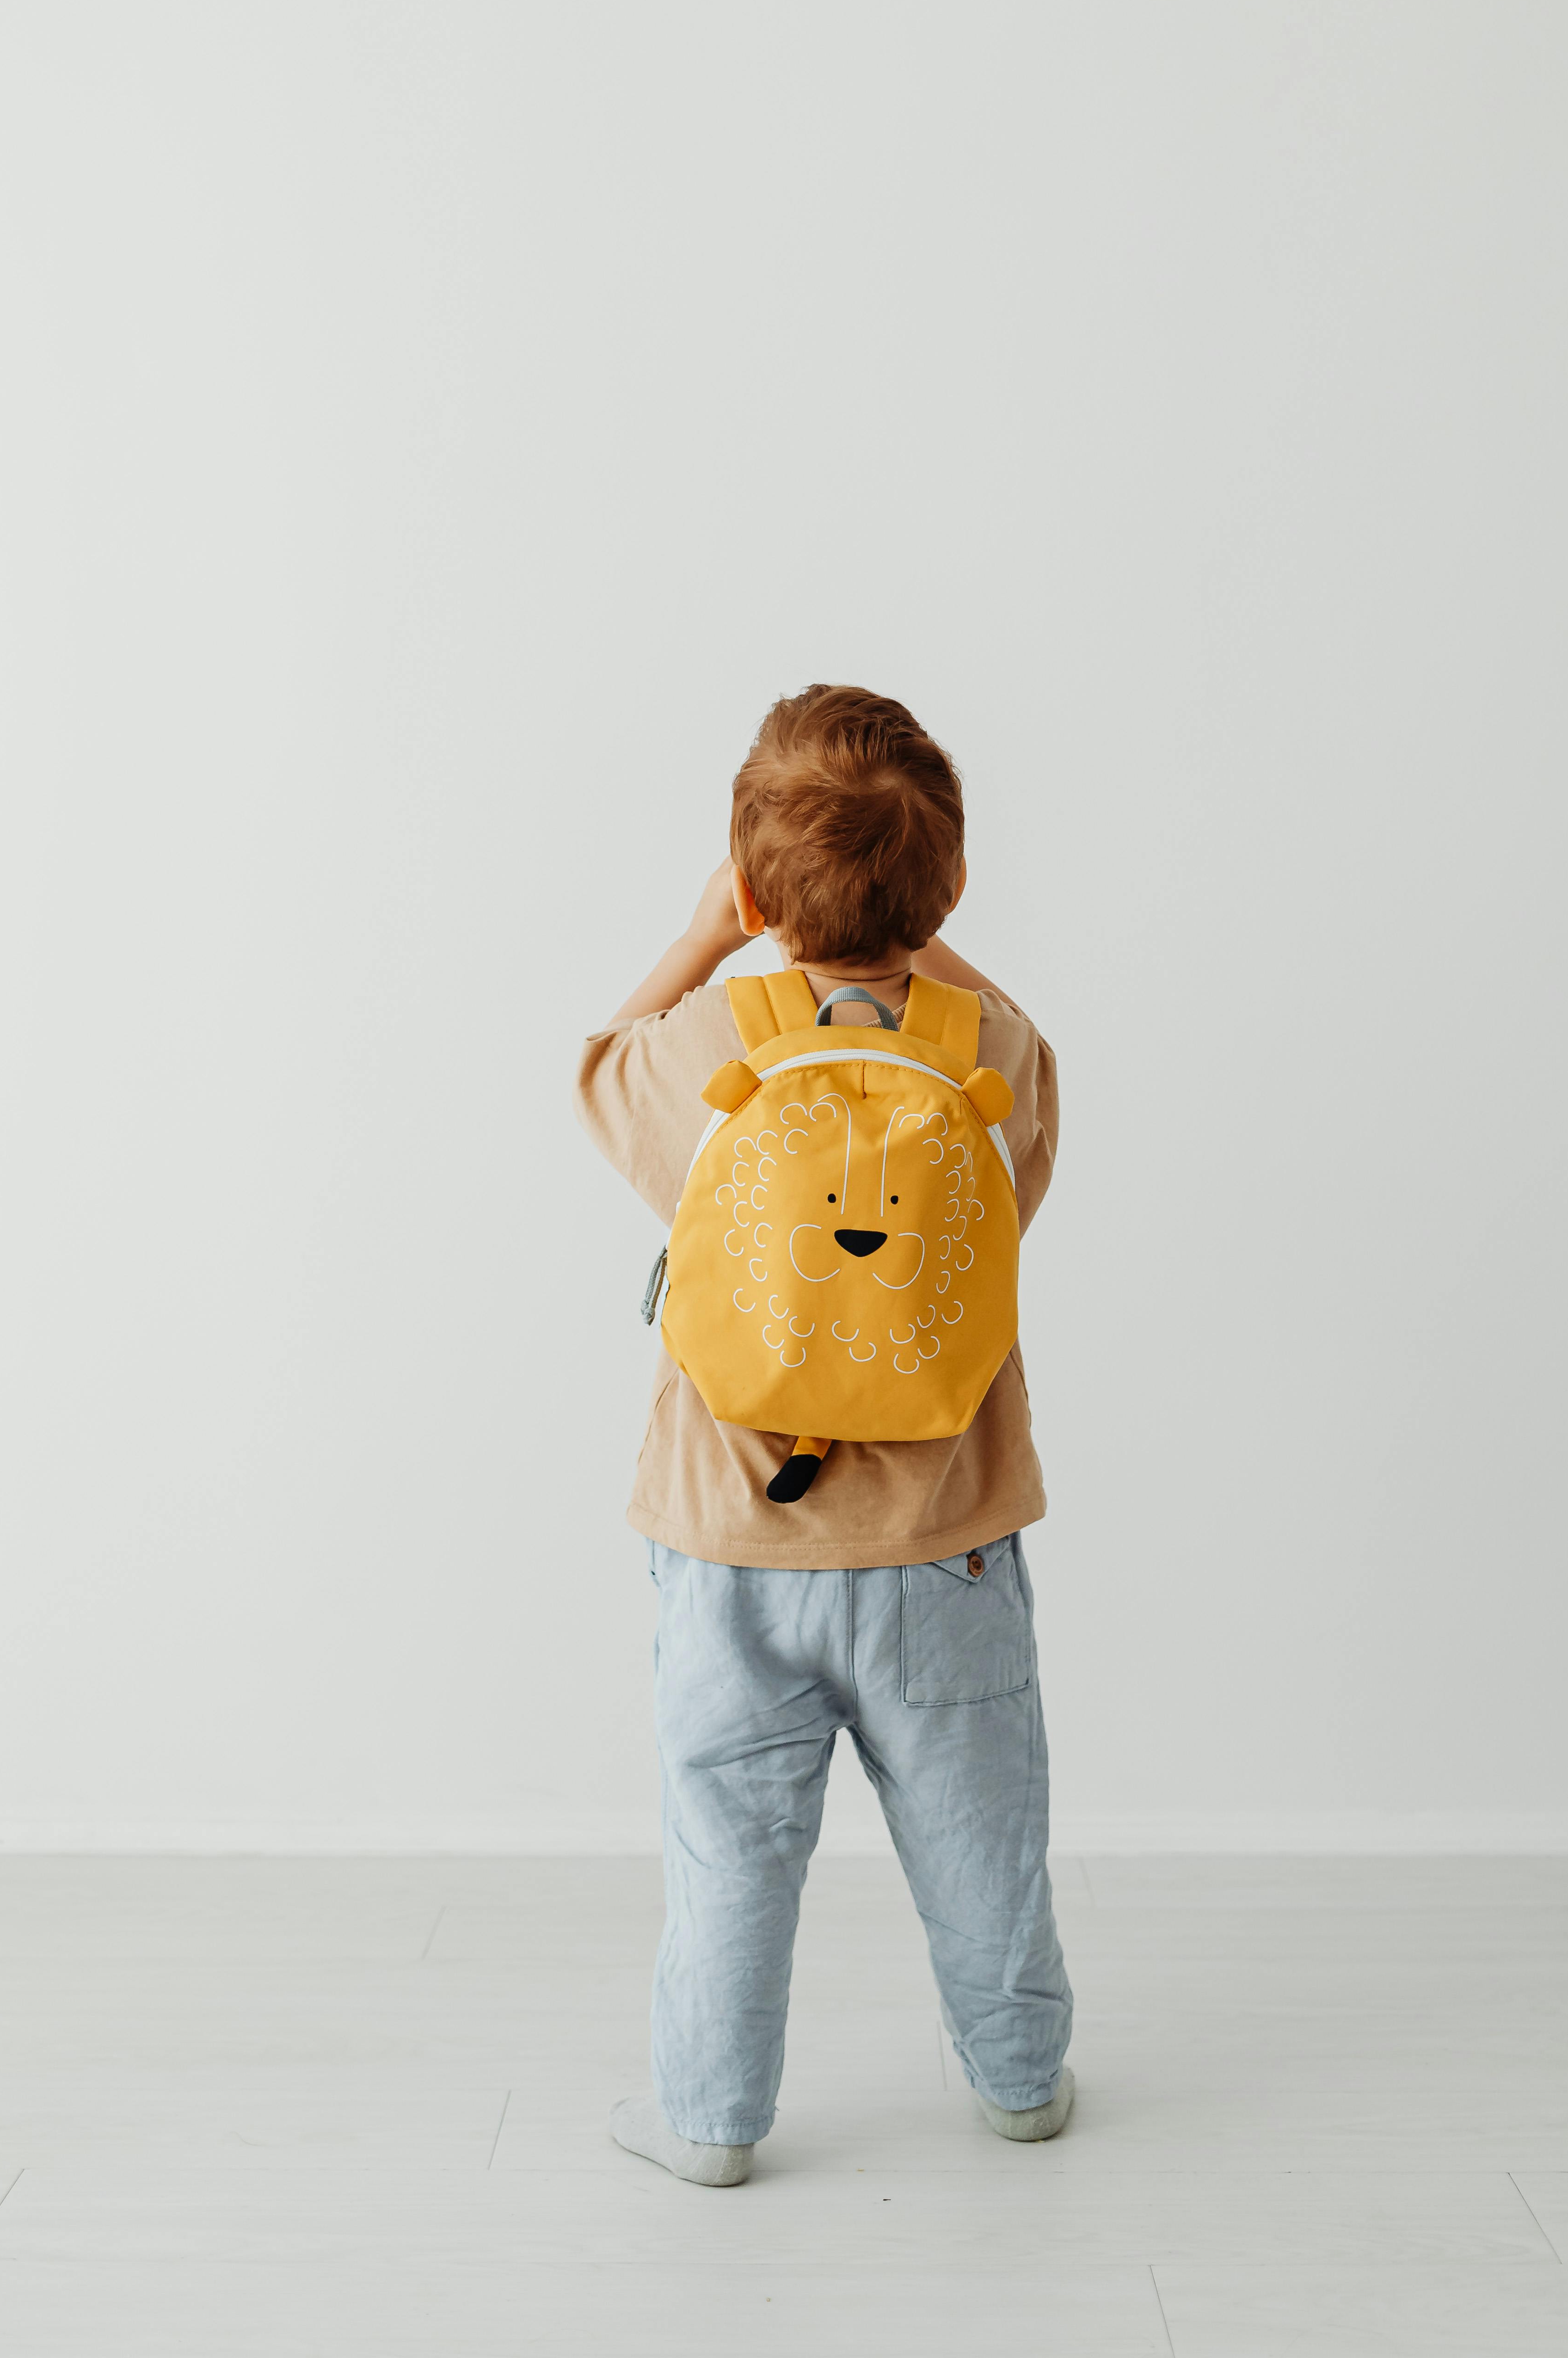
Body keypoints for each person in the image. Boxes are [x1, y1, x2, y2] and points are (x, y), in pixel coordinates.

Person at [573, 683, 1075, 2186]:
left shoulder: (702, 1049)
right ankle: (1021, 2082)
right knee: (985, 1835)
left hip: (731, 1540)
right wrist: (926, 940)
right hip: (945, 1544)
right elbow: (1029, 1118)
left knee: (729, 1850)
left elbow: (600, 1062)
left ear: (752, 882)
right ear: (952, 884)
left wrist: (711, 932)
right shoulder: (994, 1055)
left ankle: (711, 2121)